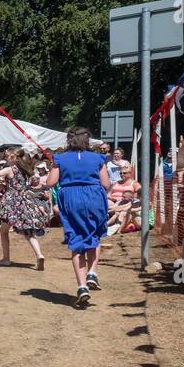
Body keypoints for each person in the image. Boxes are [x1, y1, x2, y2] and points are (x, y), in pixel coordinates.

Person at [44, 127, 109, 306]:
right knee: (94, 235)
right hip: (94, 196)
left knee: (76, 239)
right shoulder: (98, 158)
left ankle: (82, 286)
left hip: (71, 198)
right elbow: (105, 183)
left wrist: (55, 166)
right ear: (87, 140)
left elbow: (50, 182)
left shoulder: (60, 158)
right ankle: (92, 272)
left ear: (69, 140)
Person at [0, 151, 48, 268]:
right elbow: (13, 187)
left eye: (8, 156)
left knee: (3, 231)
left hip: (11, 203)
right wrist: (0, 185)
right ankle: (39, 255)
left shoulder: (10, 169)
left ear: (15, 158)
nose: (6, 158)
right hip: (23, 201)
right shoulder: (23, 170)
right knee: (28, 232)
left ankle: (6, 259)